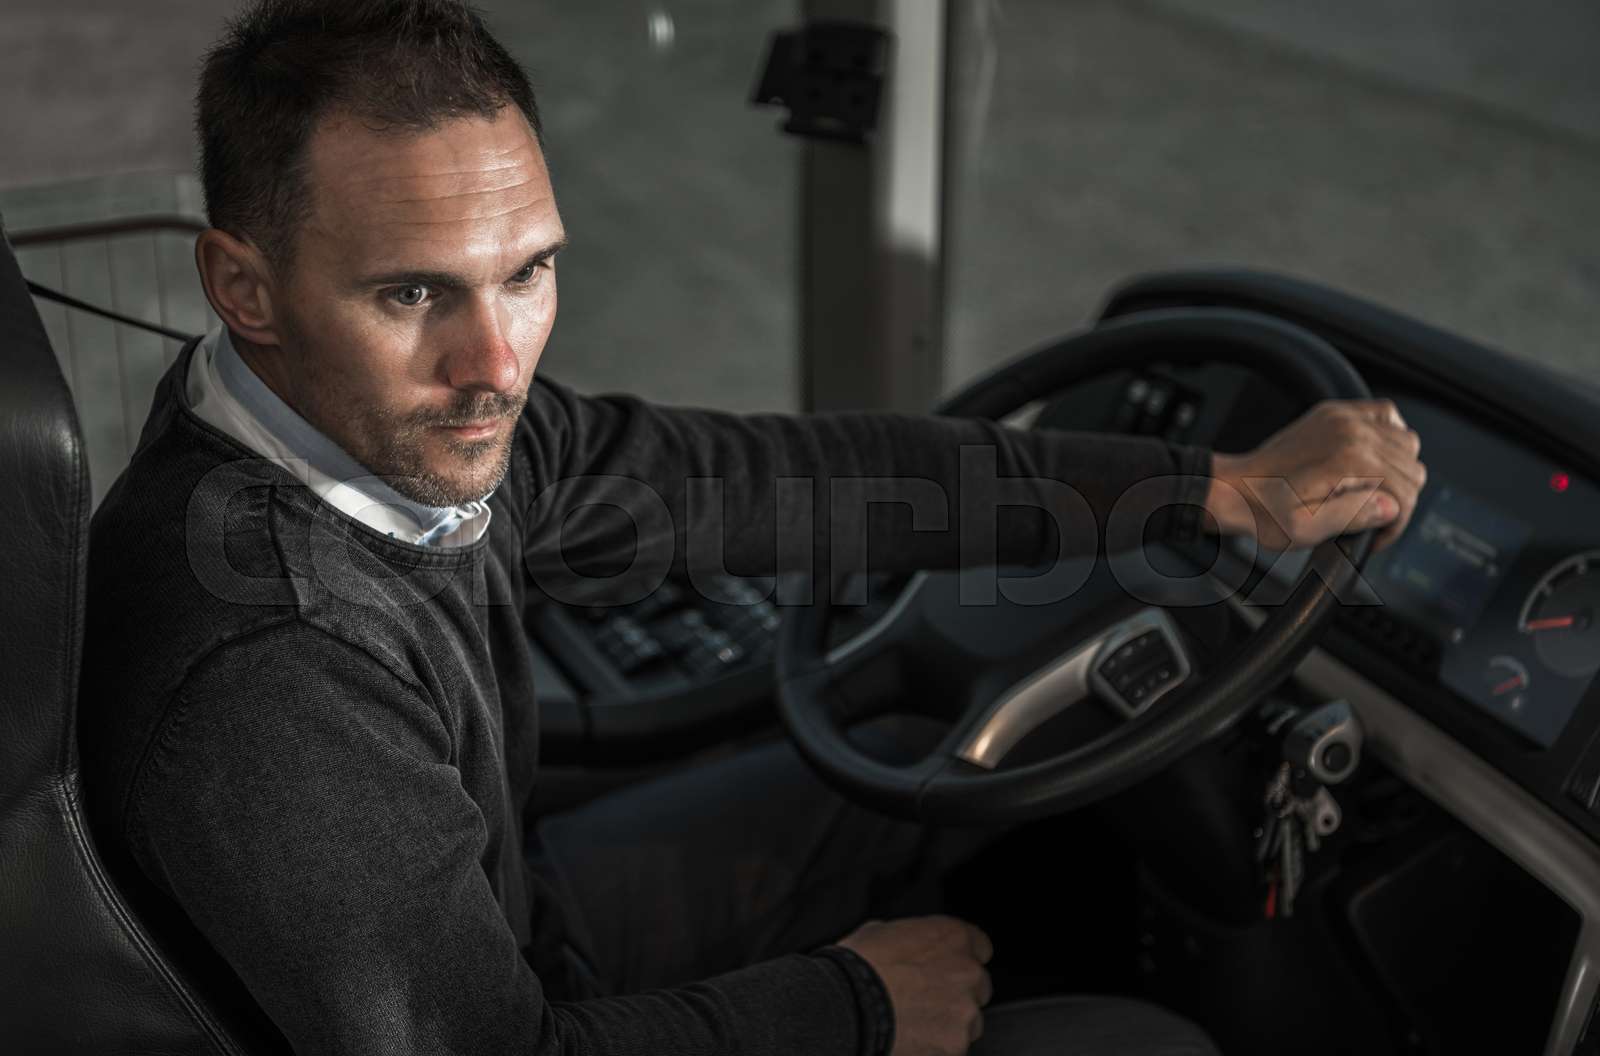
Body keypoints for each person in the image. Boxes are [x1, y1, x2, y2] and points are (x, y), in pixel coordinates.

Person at [76, 2, 1426, 1054]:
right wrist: (859, 1008)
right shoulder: (271, 674)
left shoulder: (382, 431)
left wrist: (1209, 488)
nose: (497, 365)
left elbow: (782, 484)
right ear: (244, 288)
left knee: (904, 752)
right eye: (412, 295)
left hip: (512, 916)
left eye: (529, 272)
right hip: (508, 1004)